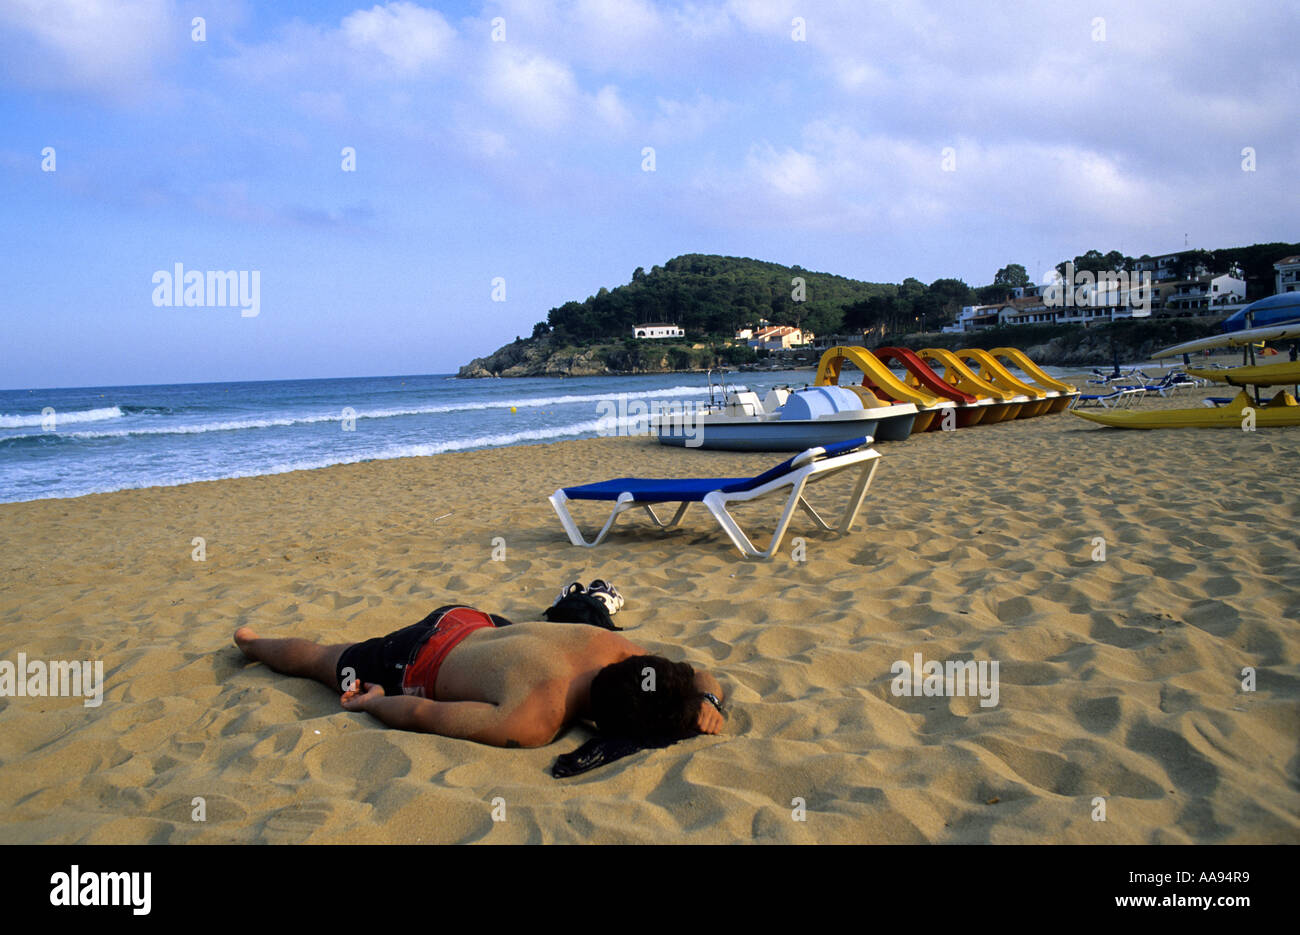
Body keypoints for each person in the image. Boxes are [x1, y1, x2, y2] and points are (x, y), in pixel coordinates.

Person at [233, 605, 725, 748]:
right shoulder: (535, 719)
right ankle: (250, 645)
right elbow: (424, 712)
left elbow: (702, 675)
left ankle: (252, 639)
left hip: (471, 621)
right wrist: (370, 703)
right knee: (325, 662)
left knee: (330, 655)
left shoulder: (616, 650)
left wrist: (708, 701)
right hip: (413, 660)